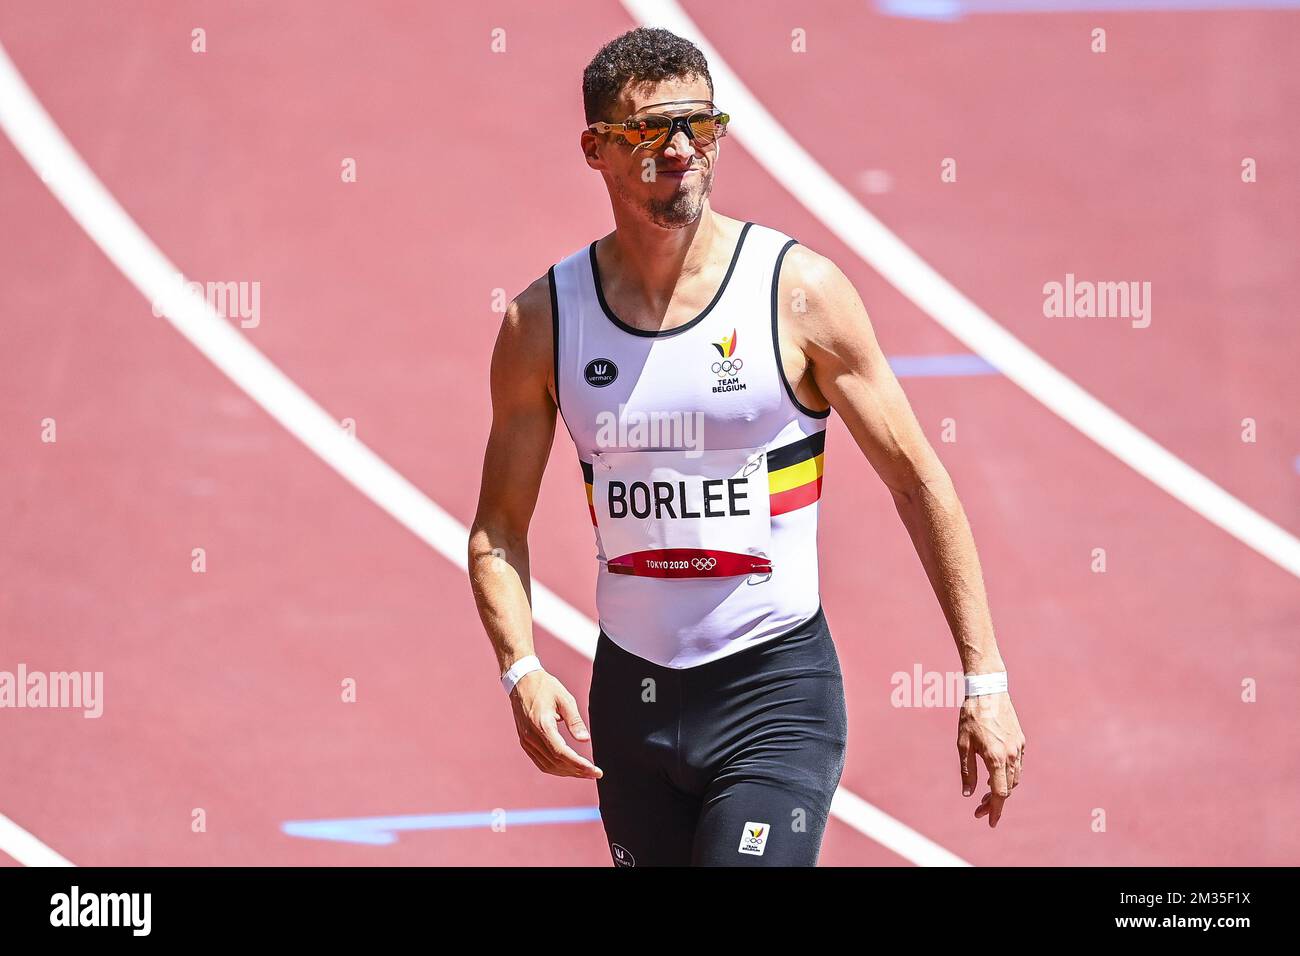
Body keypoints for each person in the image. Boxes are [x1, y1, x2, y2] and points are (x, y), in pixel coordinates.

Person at [469, 27, 1025, 867]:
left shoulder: (797, 294)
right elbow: (497, 528)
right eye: (654, 129)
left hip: (775, 692)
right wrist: (521, 668)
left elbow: (919, 483)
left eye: (703, 124)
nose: (684, 148)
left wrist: (984, 678)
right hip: (633, 698)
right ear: (596, 150)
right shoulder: (542, 324)